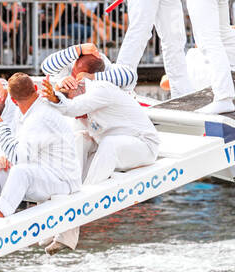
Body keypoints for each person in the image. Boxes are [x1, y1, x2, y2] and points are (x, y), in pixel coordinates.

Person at [39, 59, 159, 252]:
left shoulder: (100, 89)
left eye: (69, 95)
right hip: (116, 148)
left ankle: (80, 203)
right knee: (79, 138)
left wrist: (56, 98)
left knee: (109, 144)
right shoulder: (82, 97)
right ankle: (61, 218)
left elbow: (73, 108)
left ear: (78, 87)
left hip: (143, 145)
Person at [0, 73, 82, 221]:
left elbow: (20, 159)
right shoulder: (33, 109)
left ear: (12, 100)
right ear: (36, 88)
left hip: (63, 180)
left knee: (20, 172)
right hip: (45, 171)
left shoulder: (39, 117)